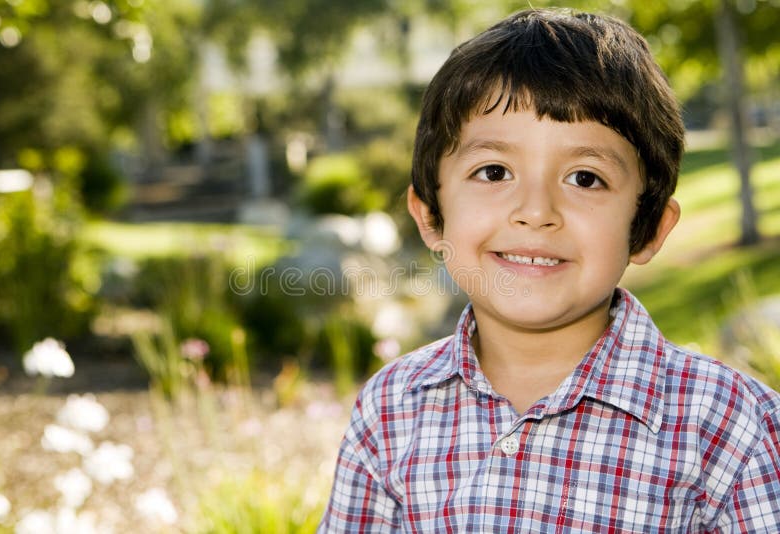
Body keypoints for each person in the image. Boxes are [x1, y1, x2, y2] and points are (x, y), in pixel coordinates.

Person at [318, 8, 780, 533]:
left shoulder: (732, 428)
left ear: (648, 228)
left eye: (585, 178)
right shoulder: (389, 412)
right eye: (493, 172)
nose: (536, 210)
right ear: (430, 216)